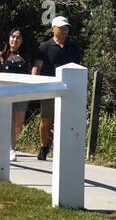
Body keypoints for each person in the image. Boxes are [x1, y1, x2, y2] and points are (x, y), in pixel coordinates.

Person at [33, 16, 83, 161]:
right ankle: (44, 146)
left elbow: (77, 68)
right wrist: (35, 83)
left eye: (66, 28)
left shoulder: (73, 47)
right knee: (46, 120)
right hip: (49, 88)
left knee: (65, 121)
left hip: (68, 90)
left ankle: (62, 149)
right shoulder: (44, 47)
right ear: (52, 29)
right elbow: (37, 66)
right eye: (61, 28)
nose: (64, 30)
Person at [0, 28, 31, 162]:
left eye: (18, 38)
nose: (15, 40)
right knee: (10, 120)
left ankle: (11, 144)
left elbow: (30, 74)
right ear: (9, 39)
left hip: (21, 92)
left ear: (21, 41)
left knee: (18, 122)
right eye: (13, 37)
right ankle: (11, 149)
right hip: (4, 92)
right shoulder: (2, 55)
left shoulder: (25, 57)